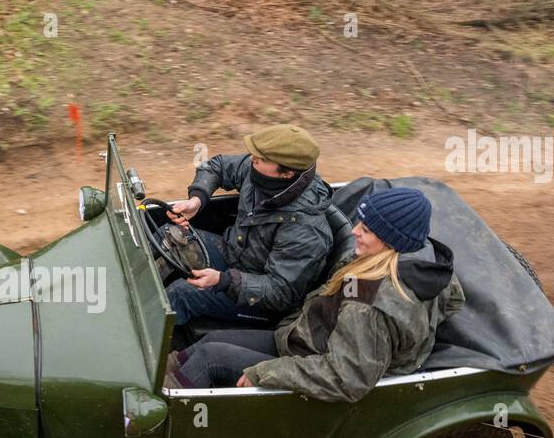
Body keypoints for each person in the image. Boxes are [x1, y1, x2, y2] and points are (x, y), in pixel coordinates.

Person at [167, 187, 465, 403]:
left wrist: (267, 374)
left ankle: (158, 427)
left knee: (210, 357)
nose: (356, 232)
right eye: (360, 223)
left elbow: (347, 378)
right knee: (209, 343)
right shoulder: (426, 270)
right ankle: (161, 380)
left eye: (369, 230)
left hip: (319, 360)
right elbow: (452, 300)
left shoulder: (369, 304)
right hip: (307, 339)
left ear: (392, 243)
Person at [161, 124, 334, 326]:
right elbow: (218, 165)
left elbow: (281, 293)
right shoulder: (259, 170)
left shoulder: (306, 229)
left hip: (260, 301)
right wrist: (197, 199)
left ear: (287, 173)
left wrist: (224, 281)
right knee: (168, 234)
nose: (252, 160)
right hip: (231, 255)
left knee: (181, 294)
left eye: (260, 159)